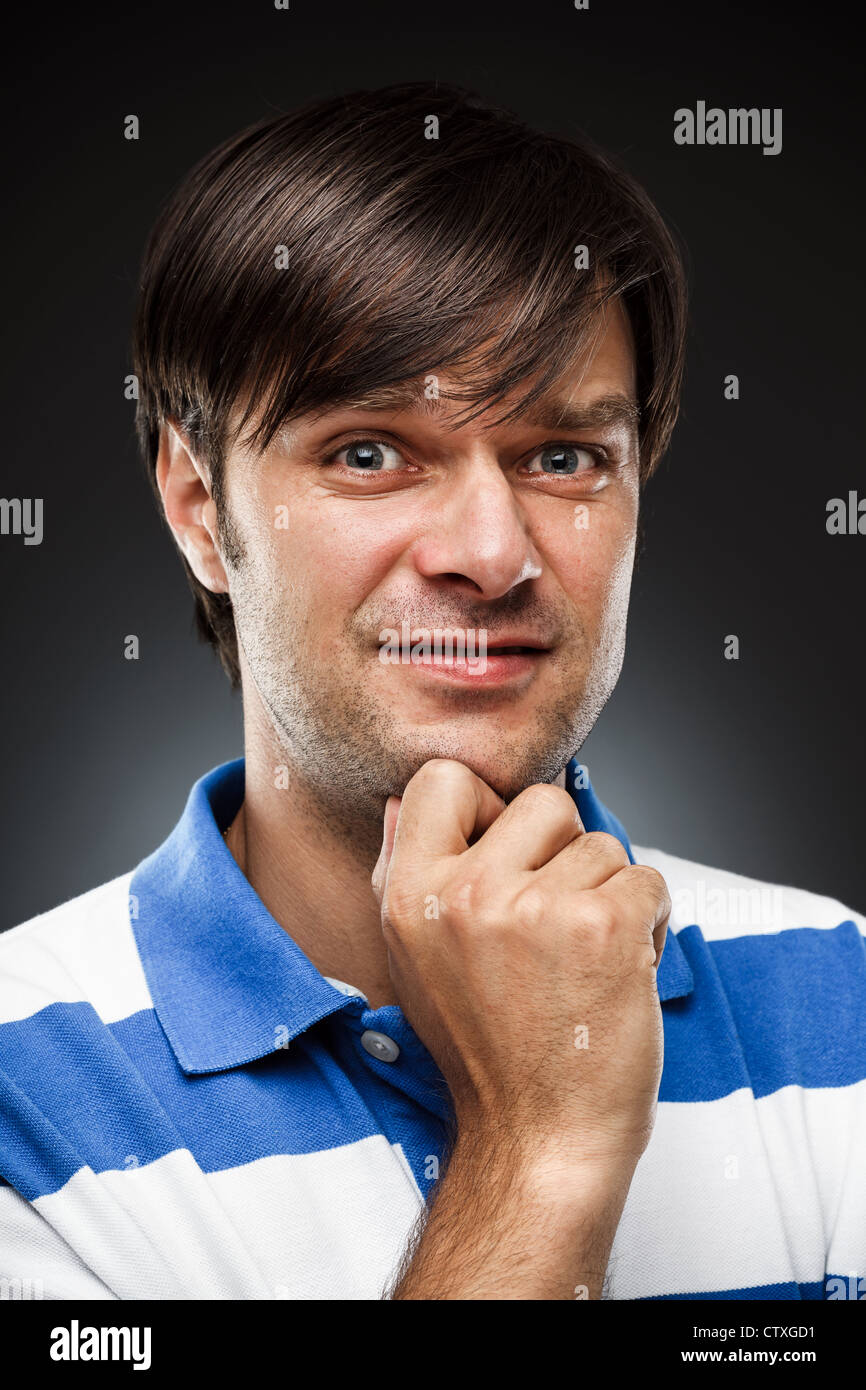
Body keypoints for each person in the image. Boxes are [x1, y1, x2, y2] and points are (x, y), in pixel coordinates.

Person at [1, 82, 863, 1302]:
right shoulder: (17, 1105)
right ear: (201, 507)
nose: (491, 551)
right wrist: (536, 1151)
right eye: (368, 453)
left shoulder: (845, 995)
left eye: (562, 456)